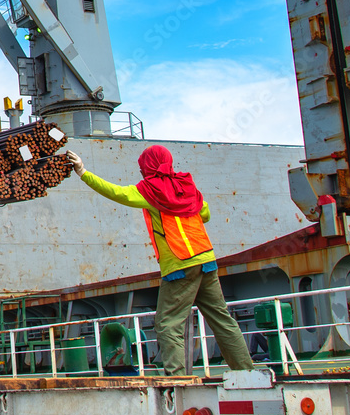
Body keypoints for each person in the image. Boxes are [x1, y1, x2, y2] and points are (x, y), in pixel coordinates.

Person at [66, 145, 254, 375]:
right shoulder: (186, 185)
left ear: (148, 166)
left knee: (168, 324)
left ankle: (176, 379)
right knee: (221, 317)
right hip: (206, 259)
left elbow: (118, 193)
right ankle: (246, 372)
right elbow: (205, 213)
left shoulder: (151, 190)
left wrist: (84, 173)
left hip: (180, 264)